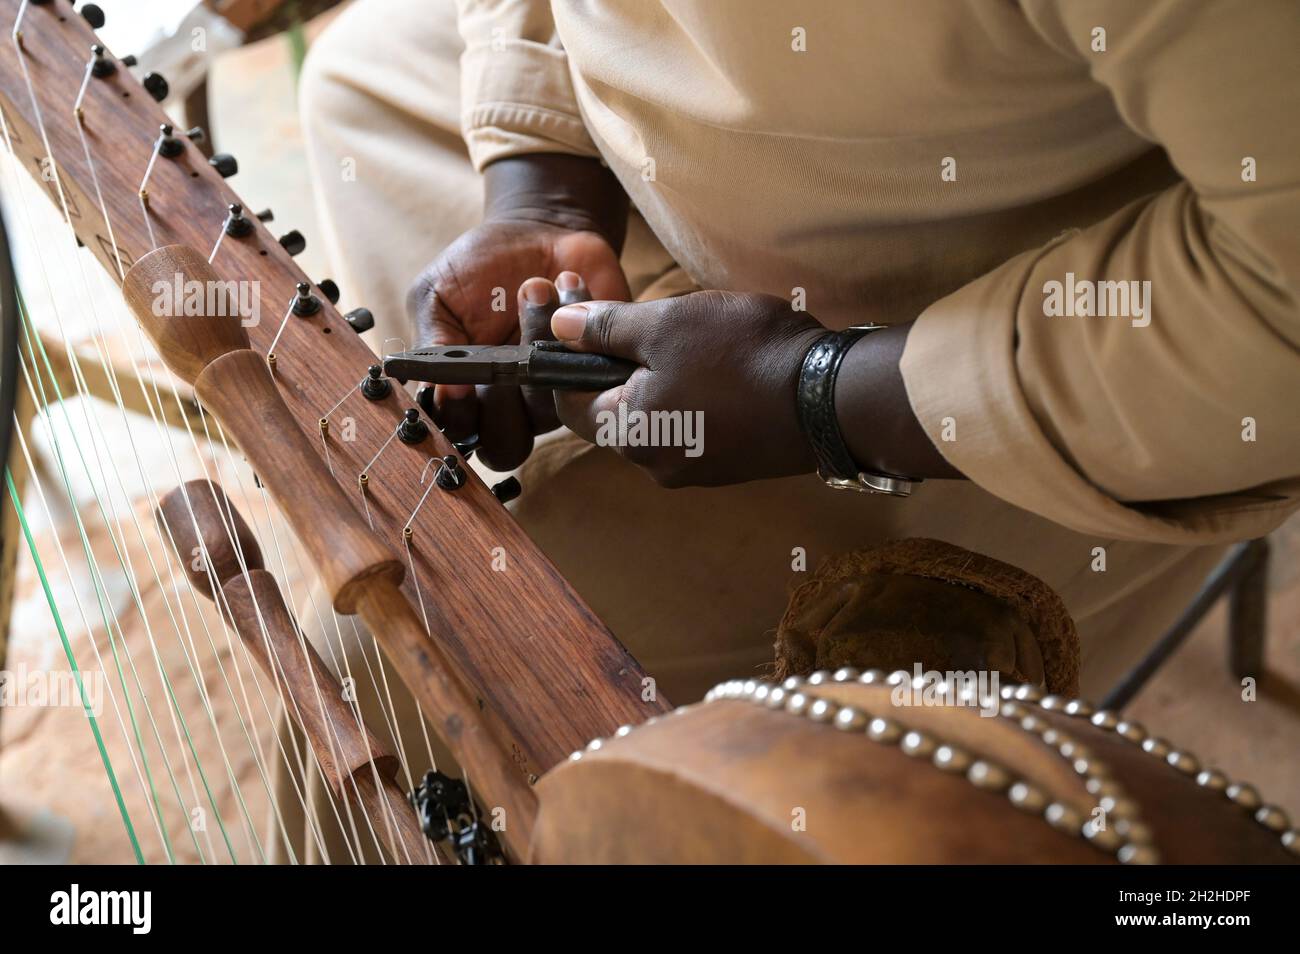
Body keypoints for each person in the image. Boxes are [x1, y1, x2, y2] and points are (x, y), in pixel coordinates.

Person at [277, 0, 1299, 861]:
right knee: (355, 71)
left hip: (976, 387)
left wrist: (819, 395)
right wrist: (538, 176)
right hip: (653, 199)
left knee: (385, 656)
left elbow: (1278, 300)